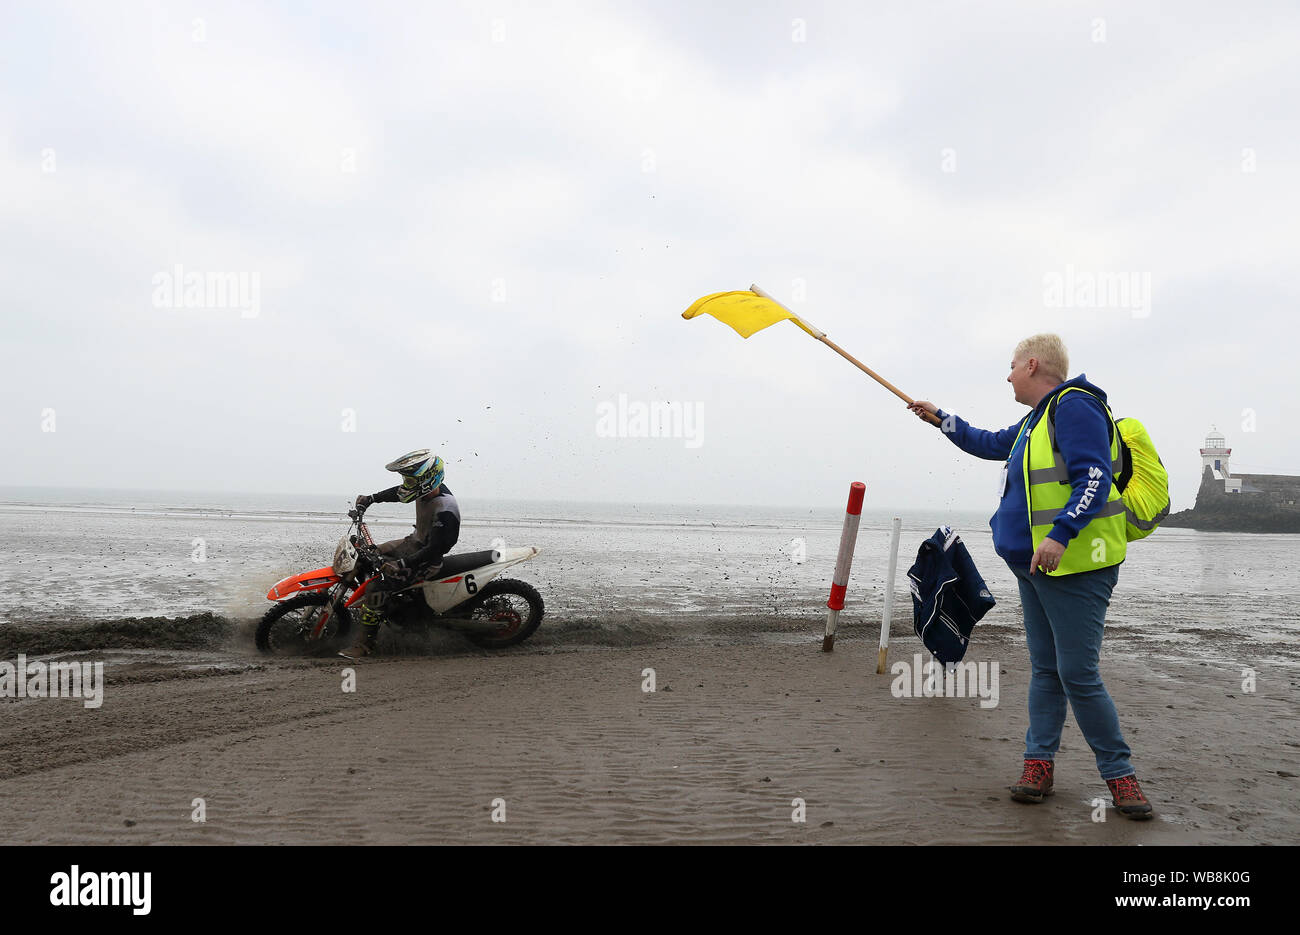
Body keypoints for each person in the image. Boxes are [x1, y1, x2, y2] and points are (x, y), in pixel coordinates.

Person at [908, 333, 1153, 820]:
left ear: (1033, 364)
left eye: (1012, 366)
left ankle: (1120, 775)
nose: (1008, 375)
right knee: (1046, 670)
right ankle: (1038, 764)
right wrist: (940, 419)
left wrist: (1061, 534)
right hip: (1033, 568)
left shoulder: (1076, 406)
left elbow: (1095, 476)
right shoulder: (1033, 422)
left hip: (1075, 565)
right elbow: (988, 443)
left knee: (1078, 674)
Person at [342, 449, 461, 659]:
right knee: (368, 554)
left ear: (425, 480)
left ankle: (365, 644)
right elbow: (399, 492)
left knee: (376, 587)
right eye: (406, 479)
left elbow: (437, 548)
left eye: (409, 480)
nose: (406, 484)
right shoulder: (424, 490)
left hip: (427, 559)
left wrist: (403, 563)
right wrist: (371, 499)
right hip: (413, 543)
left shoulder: (446, 510)